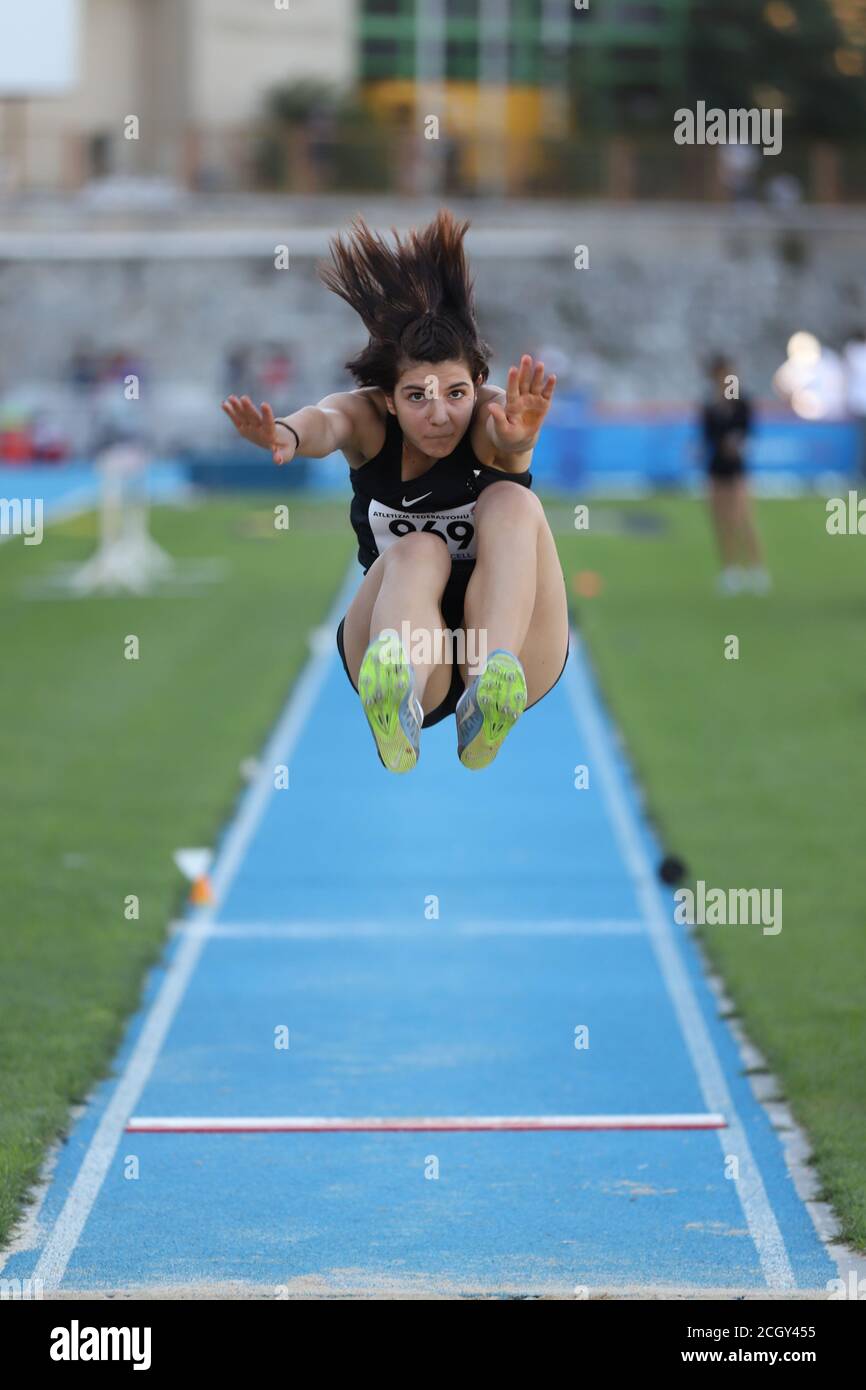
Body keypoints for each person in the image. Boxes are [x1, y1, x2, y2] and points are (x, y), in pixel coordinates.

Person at [222, 209, 570, 773]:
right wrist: (284, 432)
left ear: (477, 384)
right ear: (387, 398)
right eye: (417, 397)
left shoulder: (492, 420)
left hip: (514, 642)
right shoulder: (365, 419)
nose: (440, 416)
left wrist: (522, 438)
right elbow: (324, 421)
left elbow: (507, 444)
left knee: (515, 501)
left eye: (456, 393)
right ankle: (394, 701)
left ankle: (489, 693)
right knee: (418, 549)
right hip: (409, 644)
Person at [700, 354, 770, 595]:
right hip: (716, 467)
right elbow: (706, 436)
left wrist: (737, 444)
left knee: (744, 518)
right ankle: (730, 569)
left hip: (737, 467)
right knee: (722, 522)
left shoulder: (742, 402)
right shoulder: (710, 404)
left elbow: (749, 431)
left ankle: (756, 567)